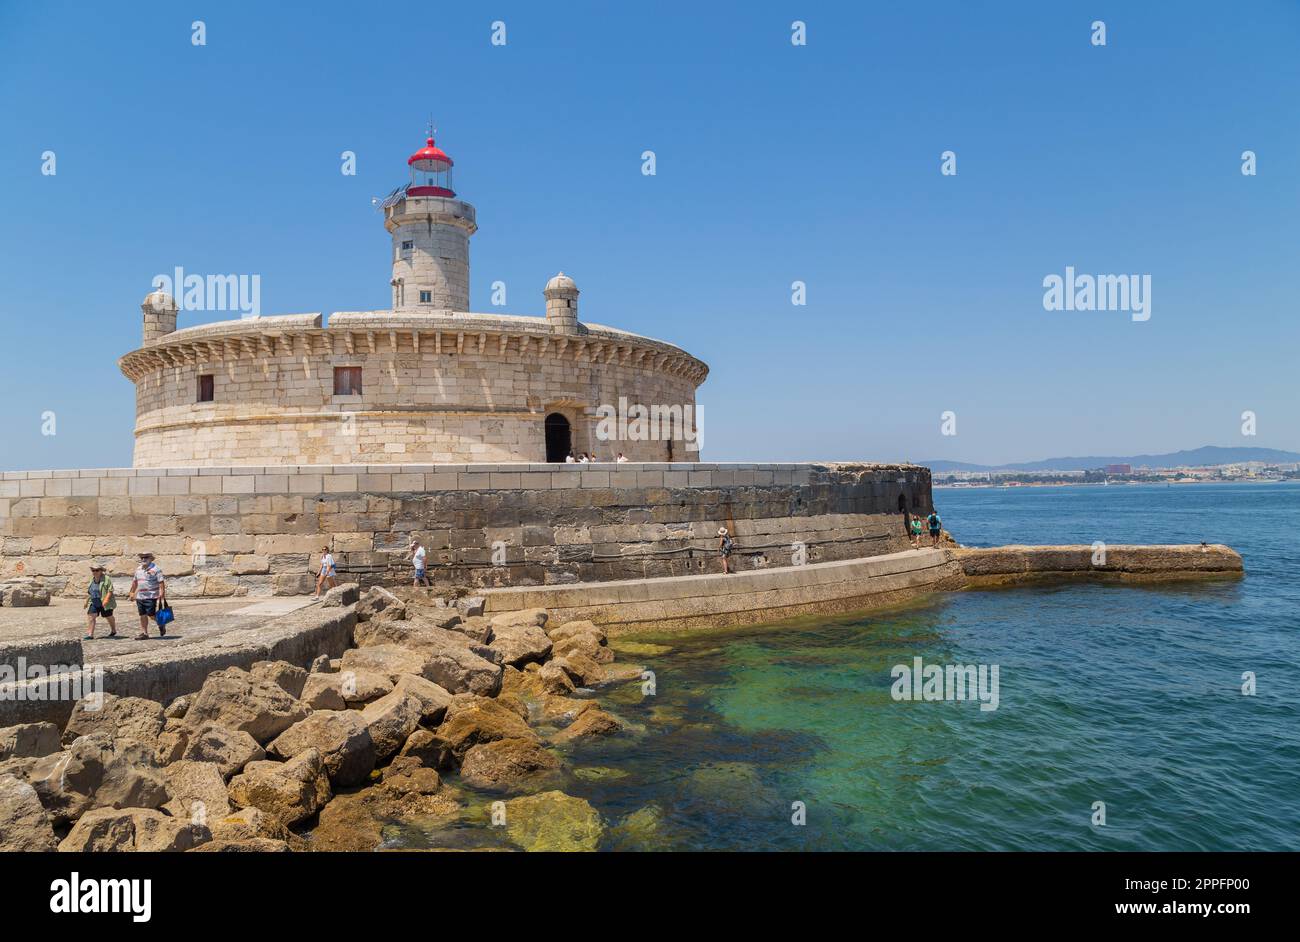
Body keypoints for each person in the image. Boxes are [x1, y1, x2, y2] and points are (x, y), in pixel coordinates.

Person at [127, 551, 167, 640]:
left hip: (151, 596)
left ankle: (161, 623)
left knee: (151, 615)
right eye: (142, 558)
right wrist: (131, 593)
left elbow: (161, 582)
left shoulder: (156, 569)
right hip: (140, 596)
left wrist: (162, 592)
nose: (143, 559)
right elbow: (135, 582)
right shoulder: (138, 569)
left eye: (146, 557)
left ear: (150, 559)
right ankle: (144, 633)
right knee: (142, 615)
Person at [84, 564, 117, 640]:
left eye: (97, 570)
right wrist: (86, 602)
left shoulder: (106, 579)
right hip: (94, 601)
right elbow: (90, 592)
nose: (95, 572)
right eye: (93, 570)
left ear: (101, 571)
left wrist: (106, 600)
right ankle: (90, 635)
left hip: (105, 601)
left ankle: (113, 629)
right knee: (91, 616)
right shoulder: (92, 579)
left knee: (108, 616)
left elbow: (110, 590)